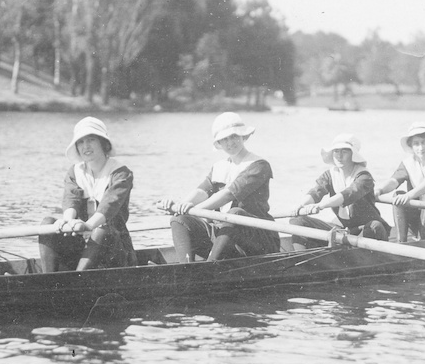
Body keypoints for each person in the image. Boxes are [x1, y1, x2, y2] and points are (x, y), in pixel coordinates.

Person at [157, 112, 279, 262]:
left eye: (234, 136)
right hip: (226, 235)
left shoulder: (259, 165)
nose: (230, 143)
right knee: (180, 219)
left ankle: (209, 268)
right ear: (219, 144)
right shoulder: (218, 167)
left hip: (259, 239)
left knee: (235, 213)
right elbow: (201, 191)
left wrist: (196, 211)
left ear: (243, 136)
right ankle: (186, 269)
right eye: (224, 139)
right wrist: (181, 206)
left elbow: (228, 194)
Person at [37, 116, 136, 272]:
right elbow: (71, 199)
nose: (85, 146)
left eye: (91, 140)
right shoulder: (75, 172)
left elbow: (108, 206)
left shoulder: (121, 173)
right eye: (81, 142)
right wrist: (67, 221)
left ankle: (77, 281)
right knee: (48, 222)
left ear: (103, 143)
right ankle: (49, 280)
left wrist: (88, 226)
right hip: (83, 246)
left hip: (114, 249)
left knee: (102, 229)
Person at [287, 133, 389, 250]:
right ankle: (300, 260)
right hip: (345, 230)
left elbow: (347, 194)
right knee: (298, 220)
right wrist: (301, 205)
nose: (339, 156)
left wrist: (321, 206)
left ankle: (349, 253)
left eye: (344, 152)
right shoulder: (330, 175)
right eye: (336, 151)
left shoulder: (364, 177)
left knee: (374, 226)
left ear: (353, 155)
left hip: (367, 229)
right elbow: (316, 192)